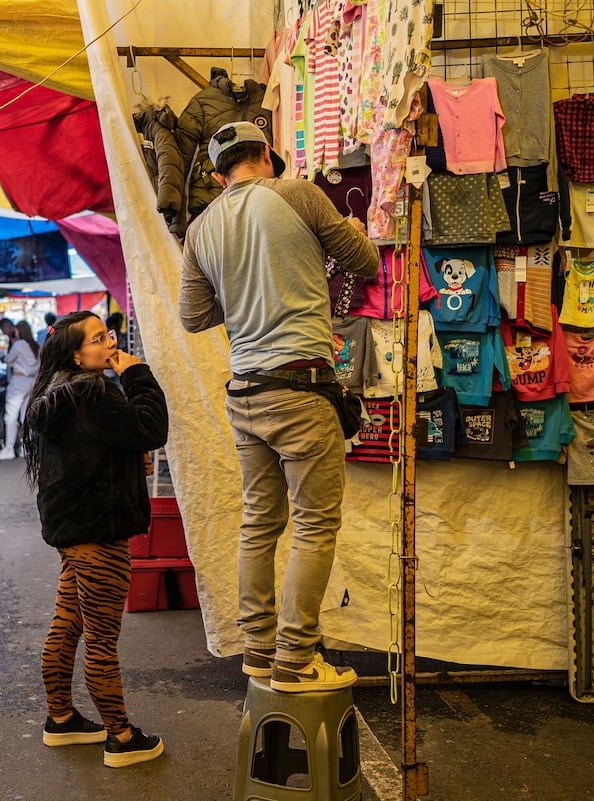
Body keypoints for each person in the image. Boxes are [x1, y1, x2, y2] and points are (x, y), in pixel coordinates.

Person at [178, 121, 379, 692]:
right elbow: (365, 262)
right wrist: (352, 230)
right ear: (267, 153)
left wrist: (244, 292)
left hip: (246, 392)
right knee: (314, 524)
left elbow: (193, 316)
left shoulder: (200, 228)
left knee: (258, 523)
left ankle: (258, 649)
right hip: (301, 388)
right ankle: (294, 656)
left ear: (218, 175)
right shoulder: (299, 194)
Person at [20, 310, 168, 767]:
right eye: (99, 338)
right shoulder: (94, 390)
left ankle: (61, 719)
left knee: (68, 622)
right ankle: (121, 737)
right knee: (101, 638)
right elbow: (151, 428)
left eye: (109, 335)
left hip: (71, 528)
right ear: (76, 354)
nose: (111, 343)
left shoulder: (55, 389)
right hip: (98, 529)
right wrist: (137, 374)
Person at [0, 320, 39, 460]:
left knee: (11, 416)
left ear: (20, 331)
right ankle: (26, 448)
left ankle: (9, 449)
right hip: (31, 382)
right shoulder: (36, 346)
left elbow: (8, 360)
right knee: (25, 416)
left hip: (19, 382)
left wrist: (3, 357)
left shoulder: (19, 344)